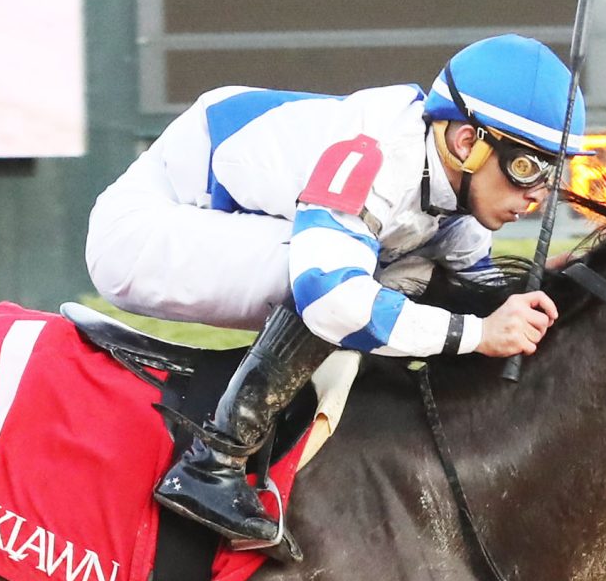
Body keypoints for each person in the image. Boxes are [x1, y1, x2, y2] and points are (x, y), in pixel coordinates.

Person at [85, 34, 579, 550]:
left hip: (235, 224)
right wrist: (476, 333)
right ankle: (213, 464)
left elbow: (479, 292)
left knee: (408, 279)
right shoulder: (376, 153)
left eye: (552, 173)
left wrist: (552, 285)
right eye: (527, 168)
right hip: (143, 231)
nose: (537, 196)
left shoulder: (460, 202)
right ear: (465, 142)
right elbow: (330, 297)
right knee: (337, 283)